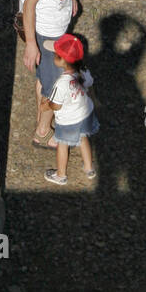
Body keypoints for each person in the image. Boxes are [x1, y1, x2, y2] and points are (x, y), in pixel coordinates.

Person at [18, 0, 95, 146]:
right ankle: (42, 132)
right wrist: (32, 44)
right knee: (56, 85)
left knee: (45, 79)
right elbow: (28, 6)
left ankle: (42, 122)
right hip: (46, 31)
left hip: (56, 25)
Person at [41, 33, 99, 185]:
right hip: (85, 113)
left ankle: (61, 175)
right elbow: (90, 86)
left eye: (55, 54)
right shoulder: (84, 70)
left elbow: (56, 105)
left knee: (62, 144)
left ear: (61, 60)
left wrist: (45, 105)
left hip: (68, 121)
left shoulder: (61, 83)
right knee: (83, 137)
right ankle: (89, 168)